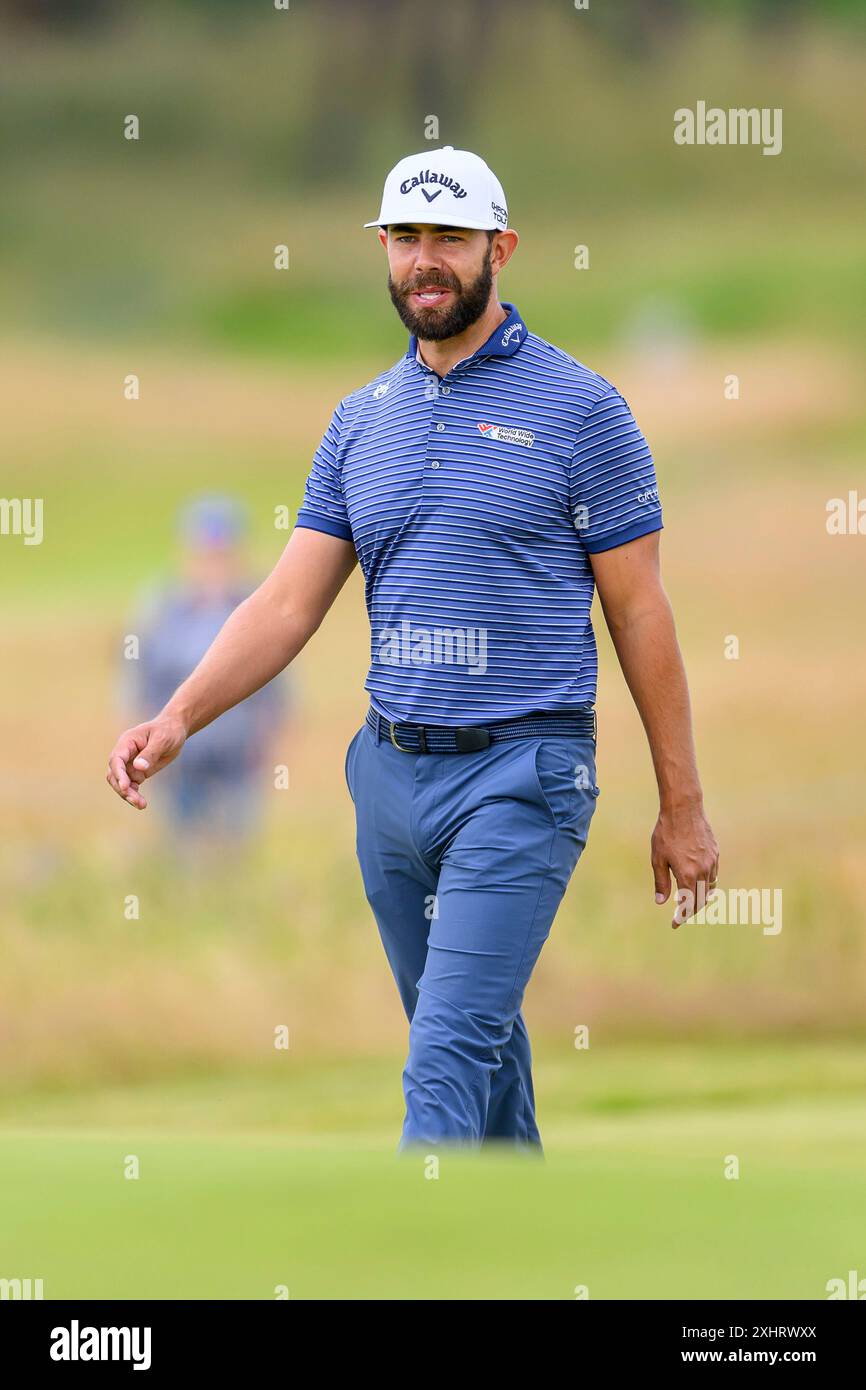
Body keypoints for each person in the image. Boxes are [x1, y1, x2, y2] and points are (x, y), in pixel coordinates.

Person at [107, 146, 718, 1152]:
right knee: (474, 1038)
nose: (424, 260)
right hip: (388, 777)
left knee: (443, 1048)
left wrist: (680, 804)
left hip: (523, 771)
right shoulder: (360, 422)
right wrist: (178, 714)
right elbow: (287, 602)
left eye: (448, 238)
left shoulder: (582, 410)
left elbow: (639, 614)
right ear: (382, 250)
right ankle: (516, 1238)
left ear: (500, 248)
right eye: (404, 239)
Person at [119, 494, 287, 848]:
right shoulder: (160, 608)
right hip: (180, 762)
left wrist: (265, 744)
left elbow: (278, 690)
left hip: (239, 759)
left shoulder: (256, 605)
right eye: (205, 553)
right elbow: (138, 680)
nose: (214, 564)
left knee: (236, 848)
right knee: (184, 849)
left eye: (222, 553)